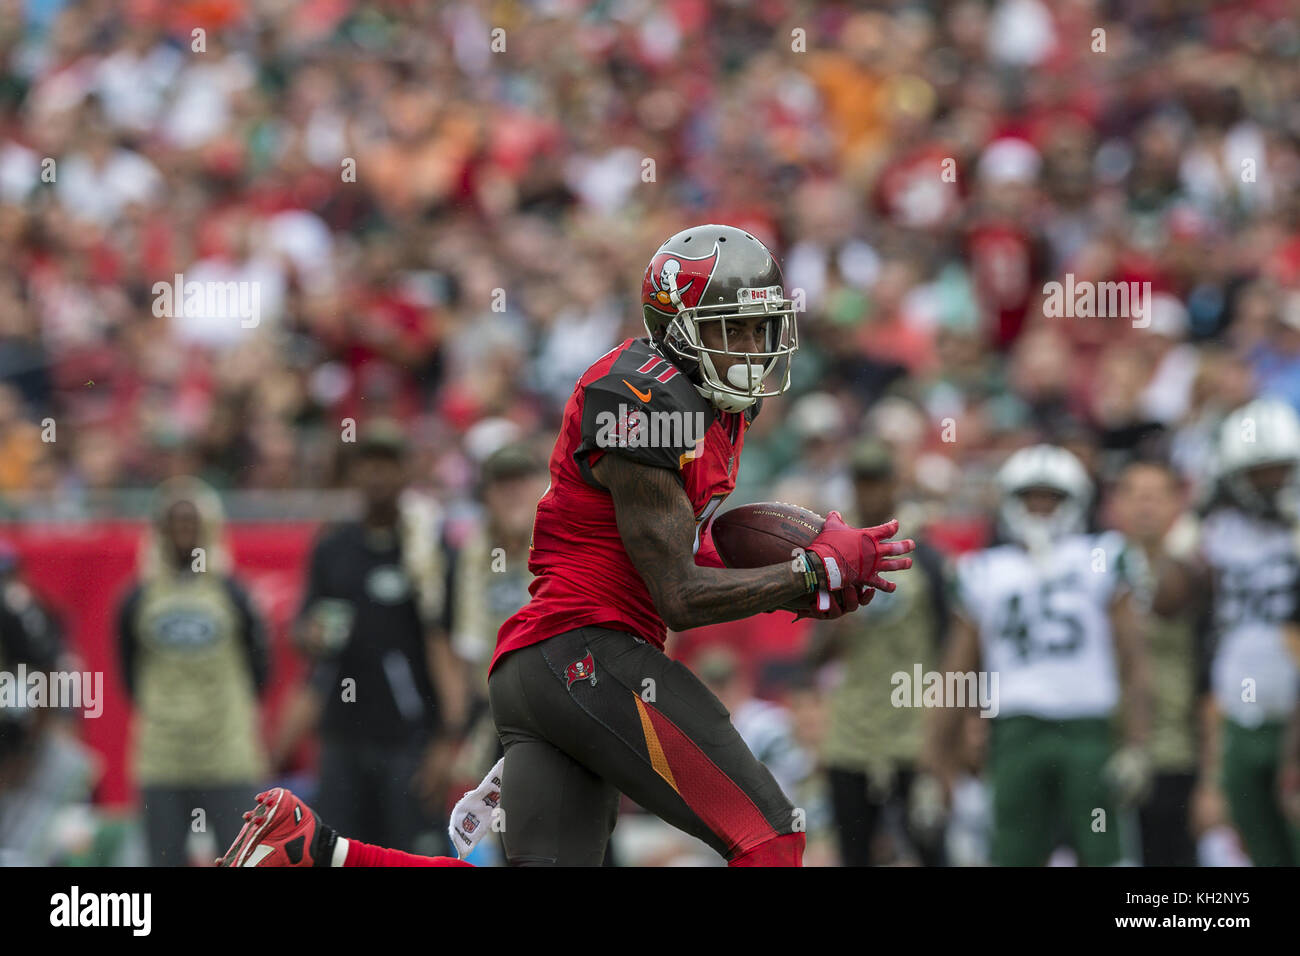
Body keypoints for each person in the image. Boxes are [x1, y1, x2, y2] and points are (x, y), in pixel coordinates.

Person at [219, 224, 915, 867]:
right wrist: (805, 570)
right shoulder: (640, 399)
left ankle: (312, 851)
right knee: (774, 836)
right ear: (676, 327)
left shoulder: (707, 405)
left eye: (764, 327)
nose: (754, 347)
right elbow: (679, 595)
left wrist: (808, 568)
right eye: (735, 328)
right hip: (588, 654)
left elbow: (674, 557)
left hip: (548, 667)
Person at [925, 444, 1151, 866]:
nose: (1041, 507)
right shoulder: (984, 569)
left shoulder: (1102, 557)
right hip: (1016, 731)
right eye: (1031, 497)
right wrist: (934, 760)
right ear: (1011, 501)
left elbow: (1133, 658)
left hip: (1089, 728)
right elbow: (956, 671)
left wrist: (1137, 742)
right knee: (1013, 852)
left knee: (1104, 851)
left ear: (1076, 501)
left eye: (1052, 497)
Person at [292, 421, 465, 857]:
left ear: (407, 473)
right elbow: (304, 631)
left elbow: (450, 648)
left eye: (388, 464)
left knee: (413, 856)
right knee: (339, 855)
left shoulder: (429, 548)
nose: (377, 475)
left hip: (409, 740)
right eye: (367, 464)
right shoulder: (332, 548)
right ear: (353, 473)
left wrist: (446, 740)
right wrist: (310, 635)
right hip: (342, 739)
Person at [809, 439, 950, 866]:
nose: (868, 493)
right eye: (861, 483)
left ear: (894, 485)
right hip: (851, 732)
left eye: (877, 482)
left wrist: (943, 742)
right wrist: (841, 614)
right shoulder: (832, 557)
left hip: (912, 729)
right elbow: (812, 653)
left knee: (929, 849)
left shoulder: (925, 556)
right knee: (854, 852)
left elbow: (952, 648)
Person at [118, 477, 269, 866]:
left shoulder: (234, 593)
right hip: (163, 756)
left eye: (192, 523)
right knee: (163, 858)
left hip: (226, 755)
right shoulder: (137, 597)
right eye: (175, 523)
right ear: (159, 531)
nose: (184, 532)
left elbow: (260, 670)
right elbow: (129, 673)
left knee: (240, 858)